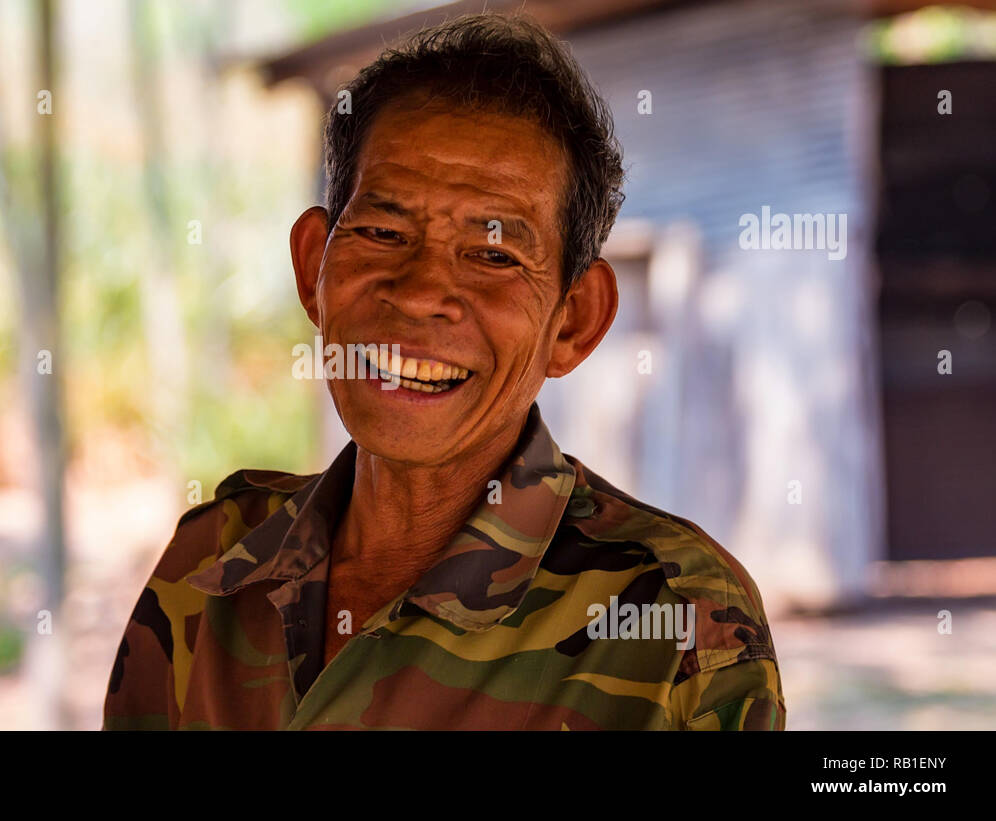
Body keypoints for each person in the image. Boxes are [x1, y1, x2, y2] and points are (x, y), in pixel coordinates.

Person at [103, 12, 784, 730]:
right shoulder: (211, 564)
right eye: (383, 232)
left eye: (493, 254)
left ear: (574, 320)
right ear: (314, 269)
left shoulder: (678, 617)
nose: (421, 291)